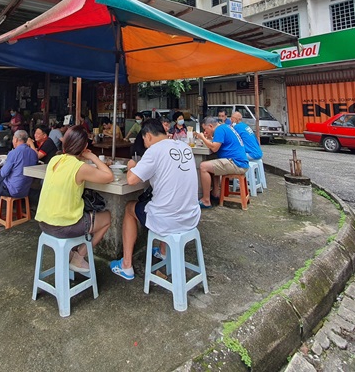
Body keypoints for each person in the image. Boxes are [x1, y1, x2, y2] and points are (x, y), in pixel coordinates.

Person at [110, 118, 201, 280]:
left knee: (130, 207)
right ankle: (163, 251)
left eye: (144, 139)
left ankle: (126, 265)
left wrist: (131, 165)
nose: (144, 143)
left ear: (148, 136)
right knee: (165, 200)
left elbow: (131, 180)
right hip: (191, 217)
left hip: (168, 221)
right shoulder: (184, 147)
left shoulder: (154, 150)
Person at [35, 126, 113, 272]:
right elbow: (109, 176)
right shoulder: (80, 167)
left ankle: (71, 253)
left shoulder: (54, 160)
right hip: (63, 226)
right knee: (107, 218)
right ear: (84, 146)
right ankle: (78, 257)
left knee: (82, 213)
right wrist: (92, 156)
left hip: (43, 223)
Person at [0, 130, 38, 226]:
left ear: (16, 139)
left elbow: (3, 173)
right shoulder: (33, 153)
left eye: (13, 138)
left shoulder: (14, 153)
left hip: (12, 190)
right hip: (25, 189)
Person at [196, 116, 250, 208]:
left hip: (236, 163)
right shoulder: (225, 127)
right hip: (240, 162)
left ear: (210, 126)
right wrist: (209, 137)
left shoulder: (219, 130)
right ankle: (215, 193)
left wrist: (202, 138)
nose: (205, 132)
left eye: (205, 129)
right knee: (212, 163)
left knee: (203, 166)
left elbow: (214, 148)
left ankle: (206, 200)